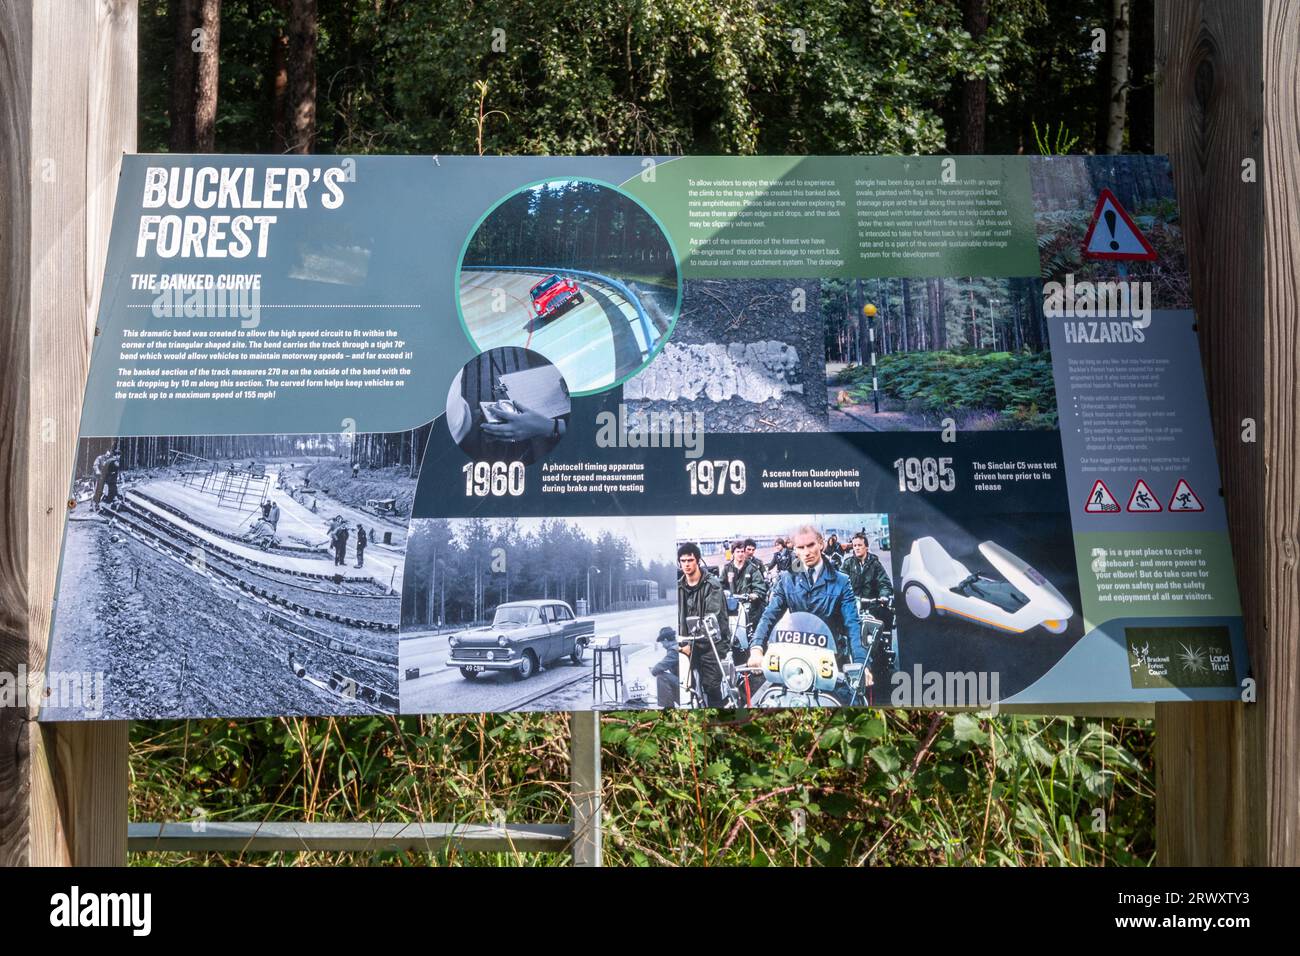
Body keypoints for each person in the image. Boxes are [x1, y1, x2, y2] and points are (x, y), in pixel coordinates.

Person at [747, 524, 865, 667]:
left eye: (811, 545)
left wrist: (860, 663)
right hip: (797, 657)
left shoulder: (841, 581)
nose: (807, 552)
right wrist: (756, 647)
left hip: (832, 658)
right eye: (801, 547)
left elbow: (852, 623)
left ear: (821, 544)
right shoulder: (786, 579)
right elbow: (770, 614)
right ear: (795, 550)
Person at [676, 542, 730, 708]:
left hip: (712, 644)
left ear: (697, 561)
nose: (686, 564)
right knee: (677, 683)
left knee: (711, 685)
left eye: (690, 560)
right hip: (687, 645)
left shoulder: (712, 585)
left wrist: (690, 644)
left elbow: (711, 620)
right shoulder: (678, 587)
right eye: (683, 560)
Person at [719, 537, 767, 654]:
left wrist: (754, 595)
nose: (740, 554)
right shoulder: (727, 569)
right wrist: (724, 592)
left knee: (754, 633)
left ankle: (756, 653)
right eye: (737, 552)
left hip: (750, 609)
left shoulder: (752, 569)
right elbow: (719, 586)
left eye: (742, 552)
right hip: (732, 608)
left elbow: (760, 587)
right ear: (733, 553)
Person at [842, 532, 894, 631]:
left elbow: (884, 583)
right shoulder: (848, 563)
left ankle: (884, 643)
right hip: (853, 605)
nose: (857, 548)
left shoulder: (875, 564)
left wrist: (884, 595)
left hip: (872, 605)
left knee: (885, 620)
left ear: (866, 547)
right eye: (854, 545)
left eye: (859, 545)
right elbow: (840, 582)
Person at [649, 626, 682, 709]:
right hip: (685, 683)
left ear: (666, 640)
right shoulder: (678, 646)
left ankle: (669, 707)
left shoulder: (674, 651)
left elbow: (658, 668)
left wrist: (652, 669)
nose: (663, 646)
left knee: (662, 677)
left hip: (684, 687)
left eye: (662, 643)